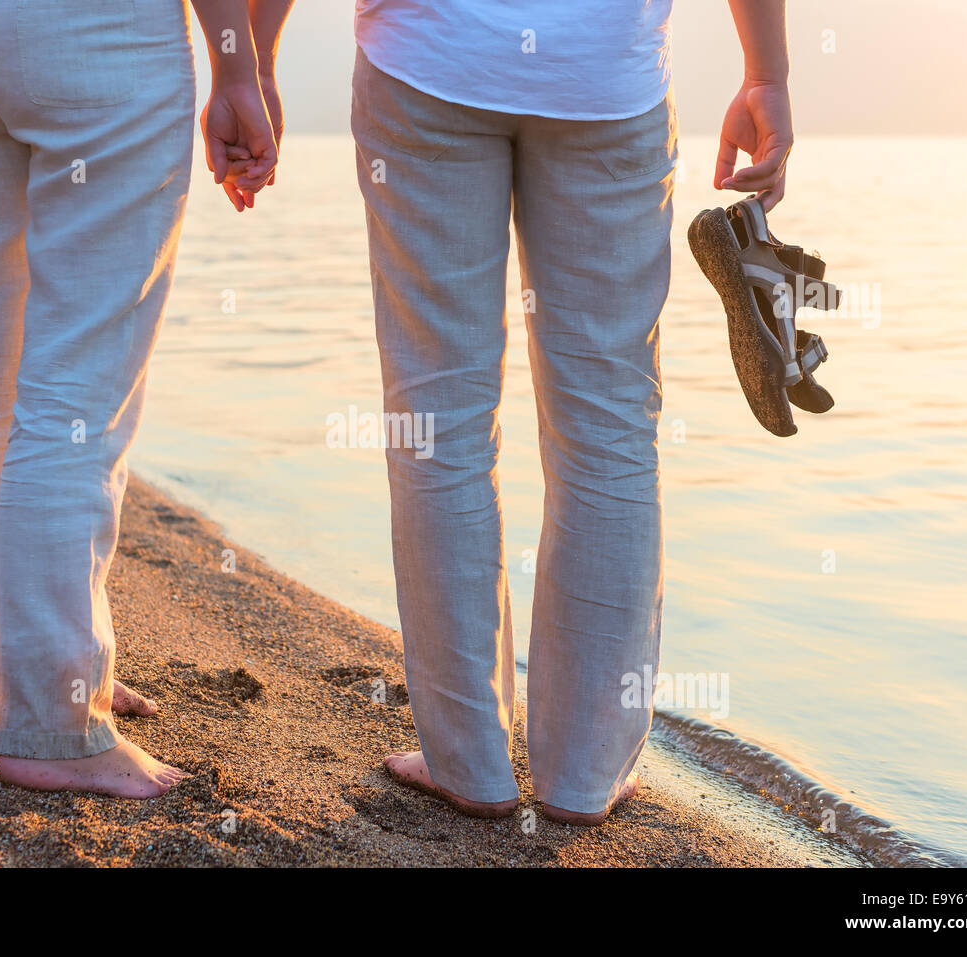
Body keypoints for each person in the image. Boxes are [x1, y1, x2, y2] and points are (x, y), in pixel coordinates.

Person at [351, 0, 793, 823]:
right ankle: (583, 772)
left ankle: (469, 763)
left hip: (427, 58)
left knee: (438, 424)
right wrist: (766, 71)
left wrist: (252, 62)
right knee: (610, 427)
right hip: (604, 73)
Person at [0, 0, 292, 798]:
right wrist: (240, 66)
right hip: (102, 40)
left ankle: (6, 674)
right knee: (77, 390)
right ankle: (56, 714)